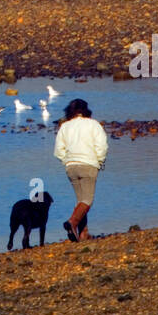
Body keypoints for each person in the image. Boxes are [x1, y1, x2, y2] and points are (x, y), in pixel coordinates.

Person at [53, 98, 108, 241]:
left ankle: (83, 234)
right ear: (86, 110)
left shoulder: (65, 126)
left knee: (80, 201)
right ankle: (72, 222)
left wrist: (67, 161)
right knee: (87, 200)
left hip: (71, 167)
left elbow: (58, 151)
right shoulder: (93, 124)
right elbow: (101, 146)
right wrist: (100, 161)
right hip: (88, 165)